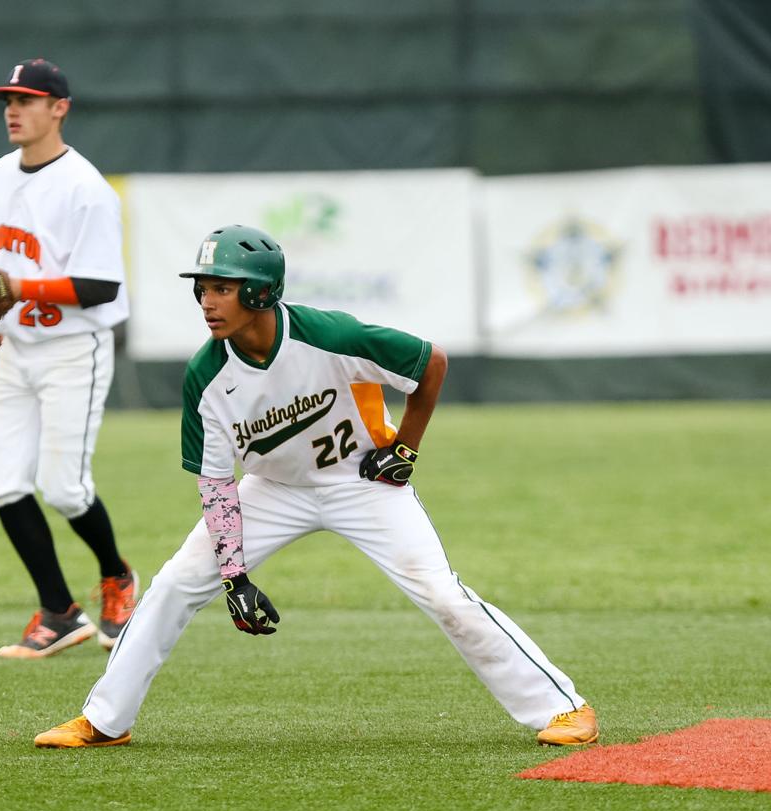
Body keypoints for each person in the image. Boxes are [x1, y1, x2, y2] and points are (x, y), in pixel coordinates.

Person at [34, 224, 599, 745]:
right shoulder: (206, 376)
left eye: (223, 288)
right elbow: (216, 486)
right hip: (273, 490)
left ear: (260, 293)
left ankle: (562, 708)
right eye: (202, 288)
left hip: (360, 479)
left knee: (441, 593)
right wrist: (234, 575)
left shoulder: (330, 335)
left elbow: (431, 364)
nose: (207, 301)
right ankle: (105, 720)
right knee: (178, 581)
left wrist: (405, 448)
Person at [0, 58, 137, 658]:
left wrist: (17, 295)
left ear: (59, 108)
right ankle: (59, 612)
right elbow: (0, 266)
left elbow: (99, 287)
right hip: (19, 348)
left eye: (27, 100)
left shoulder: (85, 190)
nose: (13, 111)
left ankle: (117, 578)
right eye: (7, 101)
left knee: (64, 489)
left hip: (75, 349)